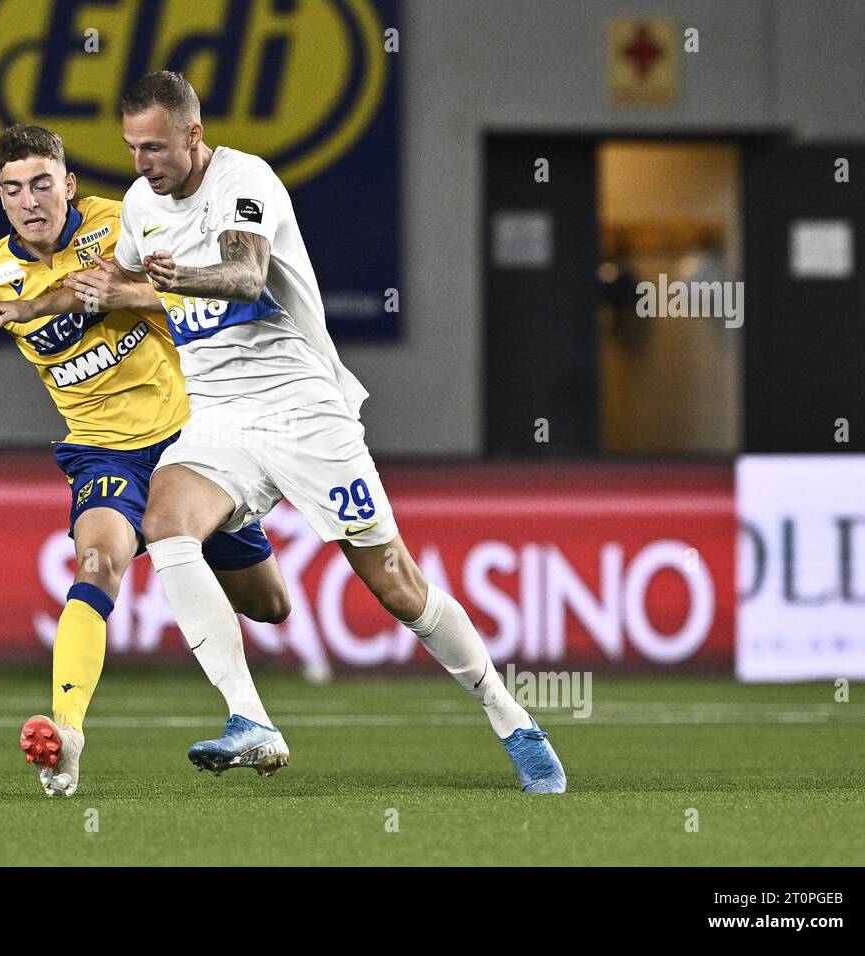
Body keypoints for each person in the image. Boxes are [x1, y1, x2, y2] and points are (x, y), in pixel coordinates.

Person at [114, 72, 566, 792]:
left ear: (193, 135)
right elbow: (136, 285)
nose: (143, 163)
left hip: (301, 407)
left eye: (157, 147)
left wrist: (171, 281)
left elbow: (244, 274)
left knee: (394, 585)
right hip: (218, 415)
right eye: (134, 148)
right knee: (165, 521)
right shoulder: (140, 205)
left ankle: (510, 715)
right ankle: (250, 720)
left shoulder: (245, 179)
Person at [0, 124, 290, 797]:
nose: (30, 201)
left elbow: (205, 292)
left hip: (191, 443)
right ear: (1, 198)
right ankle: (66, 735)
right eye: (14, 189)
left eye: (42, 183)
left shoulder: (121, 223)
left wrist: (128, 292)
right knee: (97, 564)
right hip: (103, 453)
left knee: (270, 606)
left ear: (68, 183)